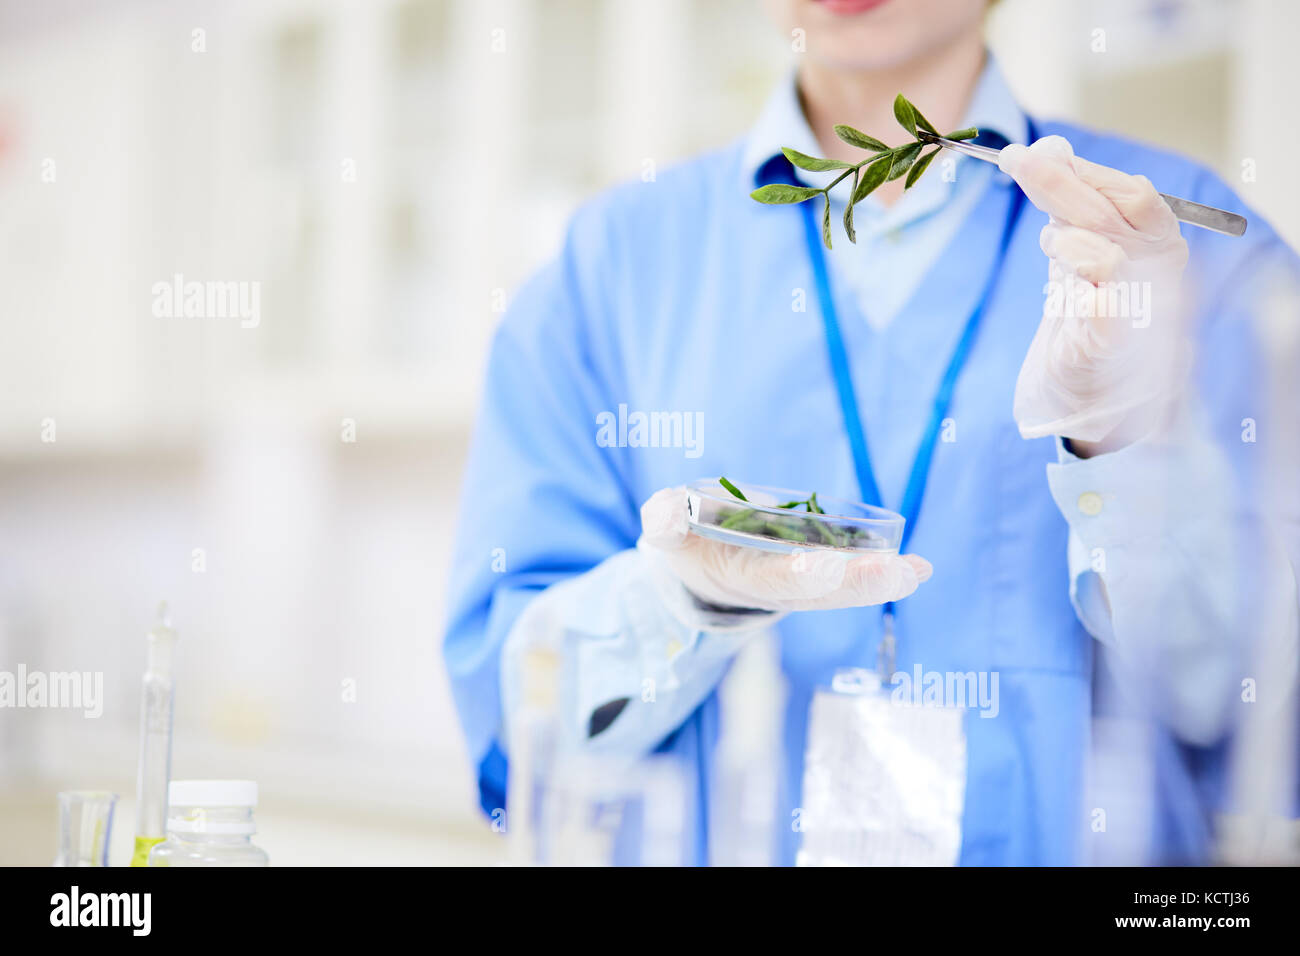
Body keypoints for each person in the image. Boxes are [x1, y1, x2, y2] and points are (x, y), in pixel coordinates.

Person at [443, 0, 1300, 865]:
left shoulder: (1191, 253)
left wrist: (1127, 445)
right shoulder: (610, 265)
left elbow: (1260, 711)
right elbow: (514, 721)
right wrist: (672, 604)